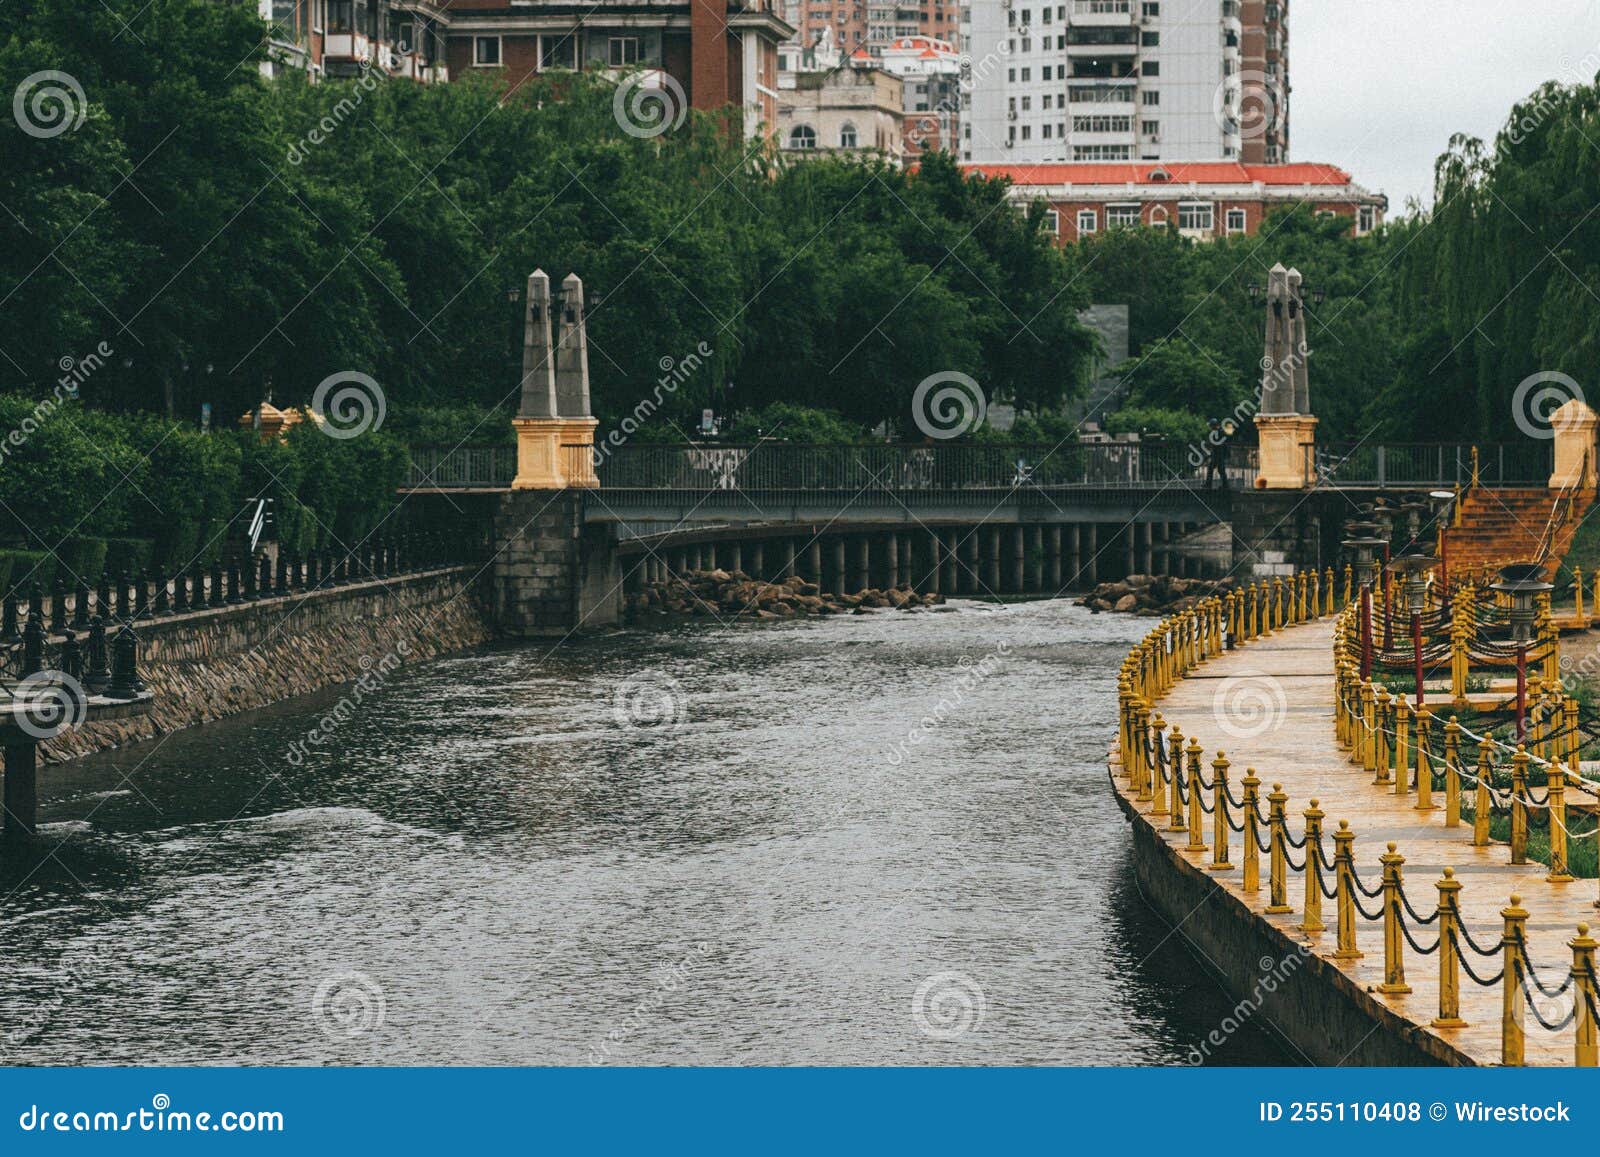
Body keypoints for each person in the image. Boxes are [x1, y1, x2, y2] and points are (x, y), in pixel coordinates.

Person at [1205, 419, 1230, 490]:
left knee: (1212, 469)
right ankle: (1225, 485)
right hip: (1219, 455)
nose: (1209, 427)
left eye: (1210, 426)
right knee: (1220, 470)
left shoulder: (1218, 432)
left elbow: (1217, 445)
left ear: (1213, 425)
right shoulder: (1220, 431)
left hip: (1218, 455)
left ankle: (1208, 485)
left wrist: (1211, 454)